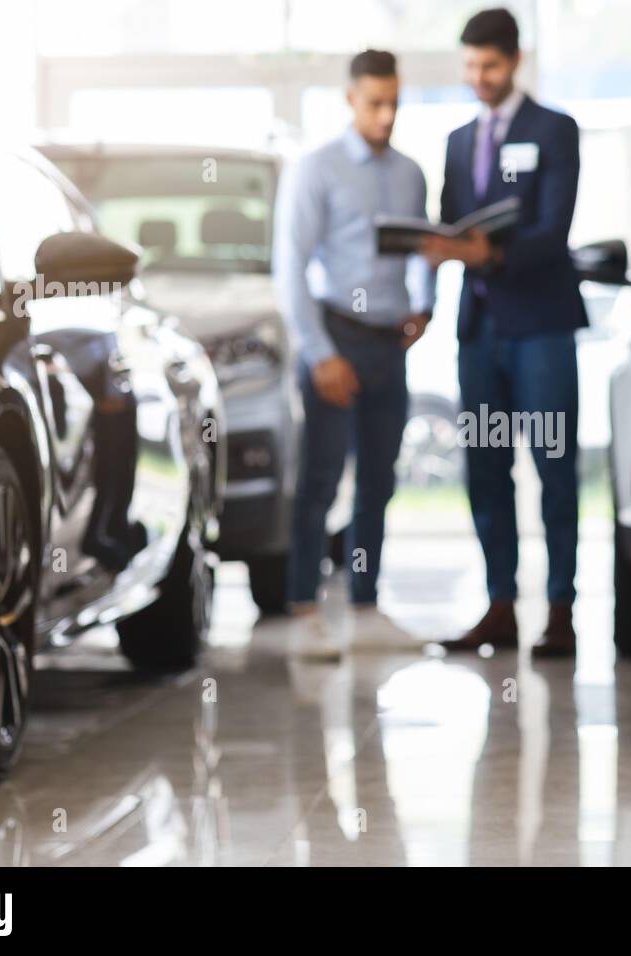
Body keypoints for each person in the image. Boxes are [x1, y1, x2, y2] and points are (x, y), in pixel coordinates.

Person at [422, 8, 585, 658]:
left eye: (488, 65)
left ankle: (562, 611)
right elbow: (448, 223)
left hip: (540, 325)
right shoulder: (459, 141)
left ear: (514, 60)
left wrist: (488, 254)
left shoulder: (554, 129)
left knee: (554, 470)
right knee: (486, 470)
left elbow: (553, 231)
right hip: (479, 332)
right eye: (470, 66)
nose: (478, 77)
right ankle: (499, 608)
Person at [273, 49, 434, 659]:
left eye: (394, 103)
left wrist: (424, 306)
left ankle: (365, 608)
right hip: (335, 340)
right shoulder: (316, 169)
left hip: (390, 344)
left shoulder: (411, 173)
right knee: (319, 482)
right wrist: (319, 354)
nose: (386, 115)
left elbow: (422, 249)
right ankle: (304, 610)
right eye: (374, 103)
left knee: (378, 482)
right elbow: (290, 267)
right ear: (350, 100)